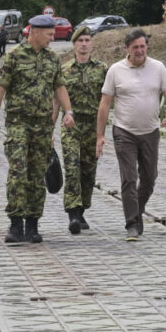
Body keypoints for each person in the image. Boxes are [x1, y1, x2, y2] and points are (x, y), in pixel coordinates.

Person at [0, 16, 75, 245]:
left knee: (36, 176)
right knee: (18, 171)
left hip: (43, 126)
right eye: (49, 34)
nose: (53, 38)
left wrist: (68, 112)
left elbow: (59, 86)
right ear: (34, 32)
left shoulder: (53, 59)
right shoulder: (13, 56)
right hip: (18, 124)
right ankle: (15, 224)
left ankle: (33, 224)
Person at [97, 28, 166, 241]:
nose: (140, 51)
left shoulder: (158, 67)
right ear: (127, 49)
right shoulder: (116, 70)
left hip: (150, 131)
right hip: (124, 131)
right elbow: (105, 104)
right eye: (135, 47)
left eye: (143, 46)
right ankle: (132, 223)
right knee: (129, 178)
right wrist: (100, 135)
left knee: (149, 178)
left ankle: (137, 209)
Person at [58, 27, 107, 234]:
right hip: (72, 125)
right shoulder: (64, 70)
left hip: (93, 126)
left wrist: (102, 132)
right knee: (72, 166)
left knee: (88, 170)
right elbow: (56, 99)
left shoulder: (103, 69)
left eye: (87, 40)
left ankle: (83, 208)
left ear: (92, 44)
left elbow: (109, 99)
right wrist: (51, 128)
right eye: (80, 41)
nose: (84, 44)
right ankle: (73, 213)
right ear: (74, 45)